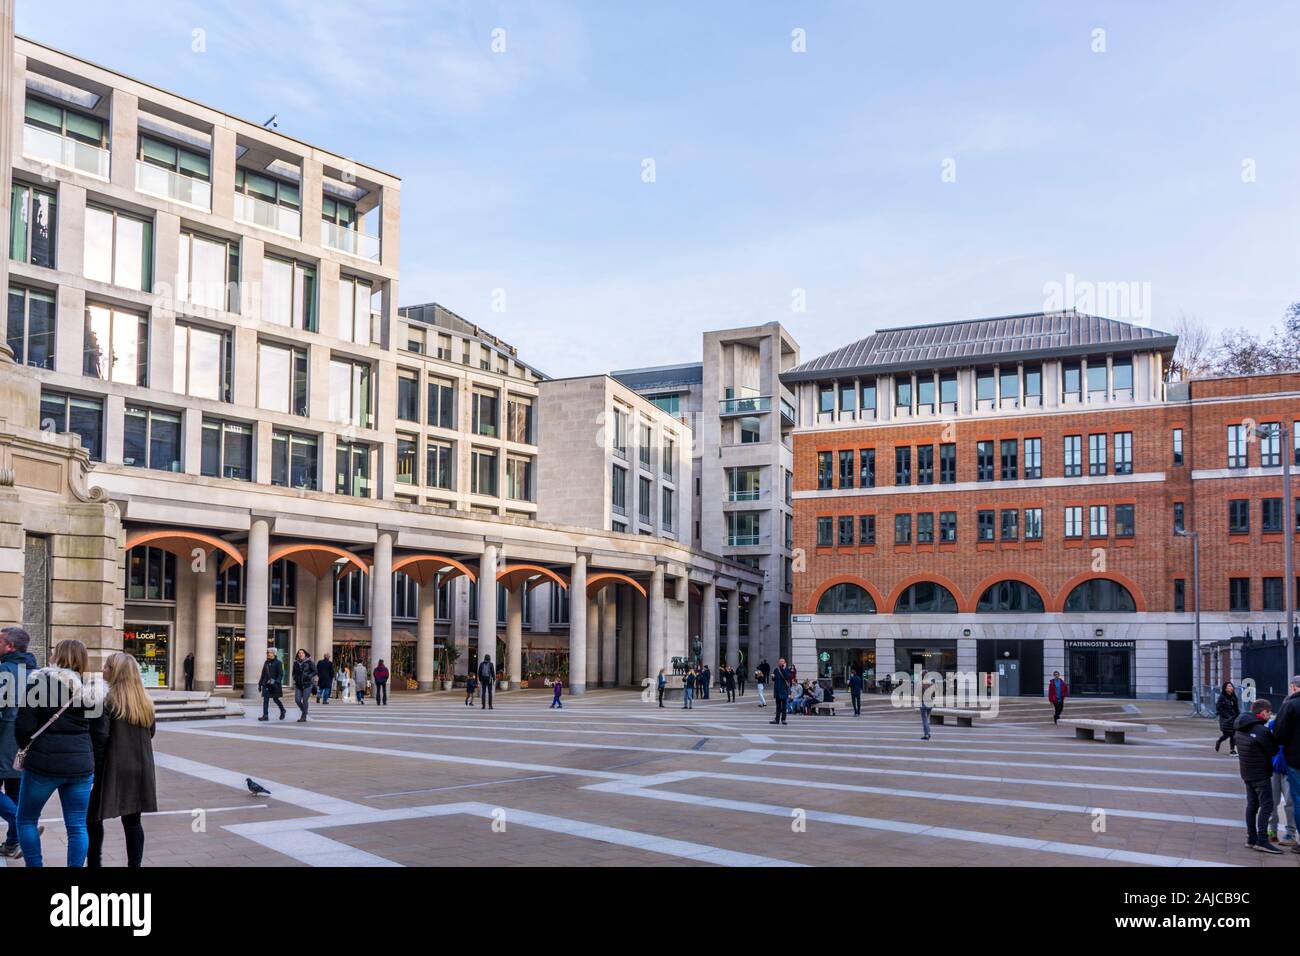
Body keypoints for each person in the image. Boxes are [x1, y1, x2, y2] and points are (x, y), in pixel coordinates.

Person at [15, 639, 105, 867]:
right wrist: (94, 764)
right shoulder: (92, 689)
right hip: (81, 765)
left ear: (57, 655)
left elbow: (24, 726)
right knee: (77, 825)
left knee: (26, 819)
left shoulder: (38, 683)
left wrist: (26, 746)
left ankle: (35, 866)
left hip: (43, 765)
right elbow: (100, 733)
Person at [87, 653, 157, 867]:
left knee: (93, 818)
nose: (103, 670)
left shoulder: (105, 700)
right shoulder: (145, 701)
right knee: (133, 822)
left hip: (111, 766)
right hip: (139, 766)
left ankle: (95, 864)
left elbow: (100, 738)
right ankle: (134, 865)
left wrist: (91, 770)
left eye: (107, 667)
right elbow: (151, 732)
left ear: (116, 672)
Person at [0, 626, 37, 858]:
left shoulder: (4, 671)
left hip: (4, 742)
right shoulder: (38, 673)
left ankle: (24, 829)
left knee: (14, 795)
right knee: (15, 792)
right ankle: (13, 843)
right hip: (27, 745)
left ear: (10, 646)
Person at [1235, 699, 1283, 854]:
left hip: (1247, 773)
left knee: (1252, 805)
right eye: (1269, 713)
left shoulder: (1241, 727)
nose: (1270, 716)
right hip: (1261, 774)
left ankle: (1251, 838)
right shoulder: (1261, 730)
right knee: (1267, 806)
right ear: (1263, 712)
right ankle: (1262, 840)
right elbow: (1273, 750)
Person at [1271, 675, 1300, 854]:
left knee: (1297, 800)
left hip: (1295, 760)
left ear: (1294, 687)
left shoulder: (1290, 705)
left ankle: (1291, 835)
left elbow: (1279, 735)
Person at [1267, 711, 1297, 846]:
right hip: (1274, 769)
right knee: (1272, 802)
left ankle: (1290, 833)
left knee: (1291, 802)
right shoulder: (1272, 725)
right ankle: (1272, 832)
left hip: (1289, 769)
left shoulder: (1295, 727)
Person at [257, 649, 286, 721]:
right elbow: (263, 674)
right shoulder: (266, 662)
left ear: (274, 654)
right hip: (266, 684)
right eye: (267, 652)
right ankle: (265, 715)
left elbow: (281, 674)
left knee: (275, 699)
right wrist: (260, 684)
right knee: (265, 700)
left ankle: (282, 710)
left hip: (275, 684)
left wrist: (277, 681)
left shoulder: (279, 663)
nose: (267, 654)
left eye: (269, 652)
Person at [291, 649, 316, 723]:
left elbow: (315, 671)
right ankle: (304, 710)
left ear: (305, 654)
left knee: (305, 700)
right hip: (298, 685)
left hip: (307, 684)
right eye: (299, 653)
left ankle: (303, 716)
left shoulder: (309, 662)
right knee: (297, 700)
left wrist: (309, 676)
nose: (300, 654)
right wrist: (295, 678)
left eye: (302, 653)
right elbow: (293, 673)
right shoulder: (296, 663)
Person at [1216, 681, 1241, 754]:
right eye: (1229, 686)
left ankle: (1232, 750)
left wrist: (1238, 716)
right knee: (1226, 735)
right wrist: (1226, 716)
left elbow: (1236, 708)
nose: (1231, 688)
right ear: (1225, 689)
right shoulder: (1222, 697)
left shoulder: (1234, 697)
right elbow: (1218, 708)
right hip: (1225, 719)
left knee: (1233, 734)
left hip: (1233, 718)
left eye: (1231, 686)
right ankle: (1219, 741)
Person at [770, 659, 792, 725]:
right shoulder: (776, 670)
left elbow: (787, 677)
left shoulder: (787, 670)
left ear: (785, 663)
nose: (780, 663)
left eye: (782, 661)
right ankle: (777, 719)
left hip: (784, 691)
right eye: (780, 662)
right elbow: (774, 680)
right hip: (777, 691)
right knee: (778, 707)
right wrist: (773, 677)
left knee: (784, 707)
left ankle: (783, 719)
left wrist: (783, 669)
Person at [919, 676, 935, 740]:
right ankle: (928, 733)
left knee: (925, 720)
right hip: (930, 703)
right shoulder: (931, 684)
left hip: (923, 703)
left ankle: (927, 734)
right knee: (926, 719)